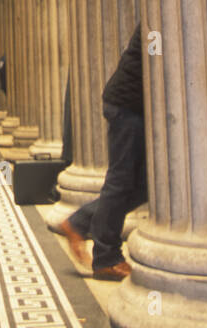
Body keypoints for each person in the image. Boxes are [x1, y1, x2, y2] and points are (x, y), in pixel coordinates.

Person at [57, 25, 145, 281]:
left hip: (132, 105)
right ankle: (106, 257)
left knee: (143, 186)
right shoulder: (159, 16)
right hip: (127, 106)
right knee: (121, 180)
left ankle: (79, 223)